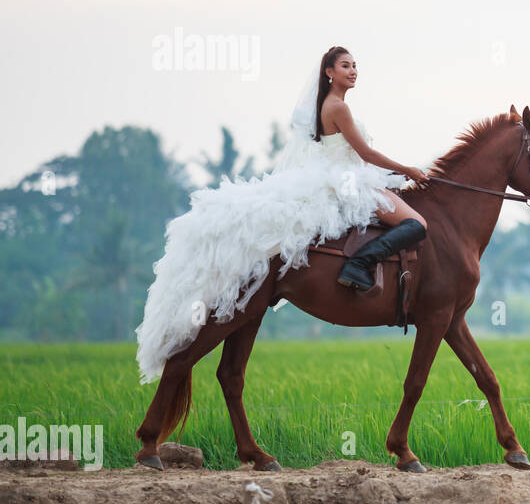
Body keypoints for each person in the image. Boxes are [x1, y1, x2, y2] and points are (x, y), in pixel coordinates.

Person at [134, 46, 430, 384]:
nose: (353, 71)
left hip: (344, 174)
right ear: (329, 72)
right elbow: (365, 152)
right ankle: (359, 264)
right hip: (348, 182)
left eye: (355, 66)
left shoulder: (327, 105)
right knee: (417, 224)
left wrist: (396, 175)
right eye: (345, 66)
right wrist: (407, 168)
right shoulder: (338, 107)